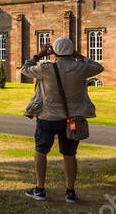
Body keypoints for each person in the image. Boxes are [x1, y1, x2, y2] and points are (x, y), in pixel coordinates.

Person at [20, 36, 104, 203]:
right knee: (70, 154)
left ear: (54, 52)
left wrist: (39, 54)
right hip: (72, 119)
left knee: (41, 151)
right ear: (71, 51)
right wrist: (78, 55)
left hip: (48, 118)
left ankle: (40, 189)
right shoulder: (80, 68)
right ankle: (70, 192)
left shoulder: (46, 68)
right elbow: (98, 67)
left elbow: (25, 68)